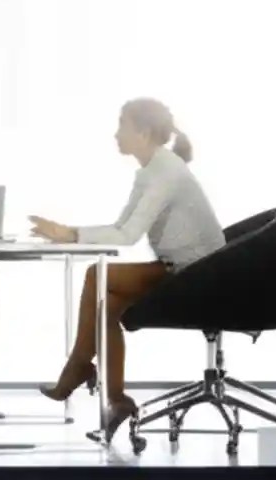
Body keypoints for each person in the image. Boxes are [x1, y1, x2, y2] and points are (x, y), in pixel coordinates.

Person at [30, 98, 225, 442]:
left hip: (201, 276)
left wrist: (69, 234)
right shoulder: (151, 170)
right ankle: (114, 399)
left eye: (122, 125)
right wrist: (70, 233)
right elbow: (122, 226)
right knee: (107, 297)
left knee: (97, 277)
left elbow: (127, 236)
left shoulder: (165, 173)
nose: (115, 134)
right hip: (179, 268)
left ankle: (78, 369)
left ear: (143, 132)